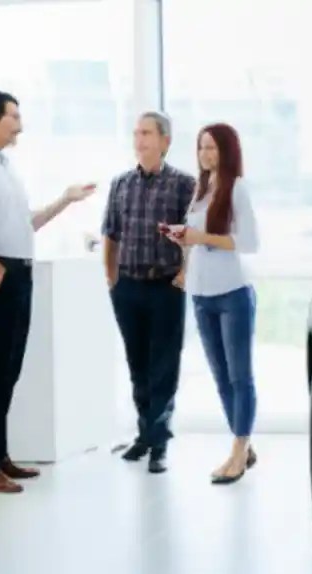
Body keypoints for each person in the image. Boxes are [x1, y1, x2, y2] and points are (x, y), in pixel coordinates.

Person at [0, 90, 96, 494]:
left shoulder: (6, 169)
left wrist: (65, 200)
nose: (20, 123)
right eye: (13, 116)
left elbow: (25, 224)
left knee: (8, 371)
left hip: (19, 274)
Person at [100, 111, 197, 474]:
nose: (139, 139)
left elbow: (194, 235)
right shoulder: (121, 184)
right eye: (136, 133)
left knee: (164, 367)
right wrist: (112, 280)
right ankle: (145, 434)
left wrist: (185, 273)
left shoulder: (183, 184)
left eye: (147, 133)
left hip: (166, 286)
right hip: (128, 287)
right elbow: (111, 234)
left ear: (165, 141)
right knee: (137, 365)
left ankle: (159, 444)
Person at [164, 123, 259, 484]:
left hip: (233, 292)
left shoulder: (237, 189)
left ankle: (237, 451)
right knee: (221, 378)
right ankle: (243, 444)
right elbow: (197, 241)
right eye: (202, 147)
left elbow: (248, 242)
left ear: (227, 151)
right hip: (201, 295)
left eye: (213, 148)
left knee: (240, 376)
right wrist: (183, 243)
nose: (205, 154)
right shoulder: (201, 190)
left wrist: (199, 235)